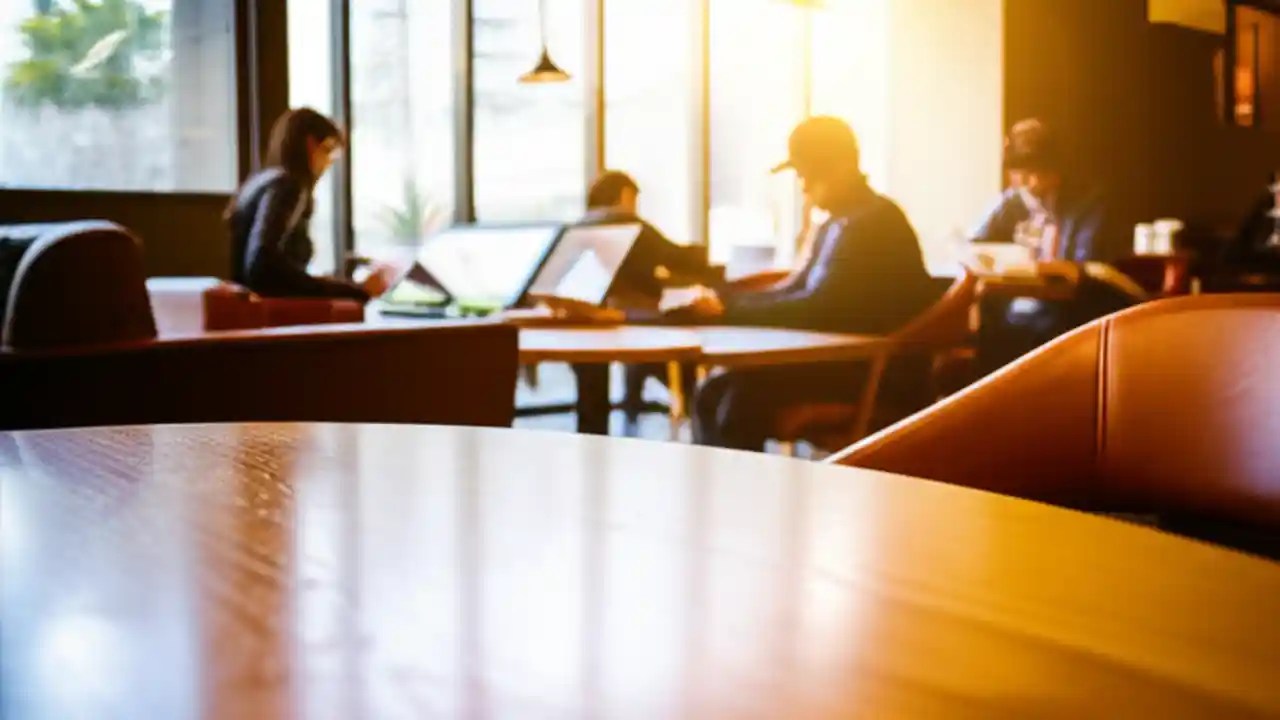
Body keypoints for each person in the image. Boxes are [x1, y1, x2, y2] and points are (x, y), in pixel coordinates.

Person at [682, 116, 938, 452]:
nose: (803, 187)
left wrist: (727, 309)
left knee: (738, 400)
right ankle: (723, 497)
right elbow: (793, 291)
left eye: (809, 175)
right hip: (841, 362)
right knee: (713, 392)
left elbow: (817, 308)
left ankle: (738, 500)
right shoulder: (838, 223)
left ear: (842, 168)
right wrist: (723, 301)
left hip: (873, 371)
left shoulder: (874, 224)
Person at [225, 108, 395, 301]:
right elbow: (262, 264)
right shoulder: (287, 186)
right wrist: (354, 291)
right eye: (328, 150)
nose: (329, 163)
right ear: (310, 144)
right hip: (271, 319)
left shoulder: (260, 182)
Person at [971, 119, 1120, 263]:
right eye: (1026, 173)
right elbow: (974, 250)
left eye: (1041, 172)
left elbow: (1084, 265)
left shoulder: (1087, 205)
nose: (1034, 181)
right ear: (1011, 173)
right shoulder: (1007, 206)